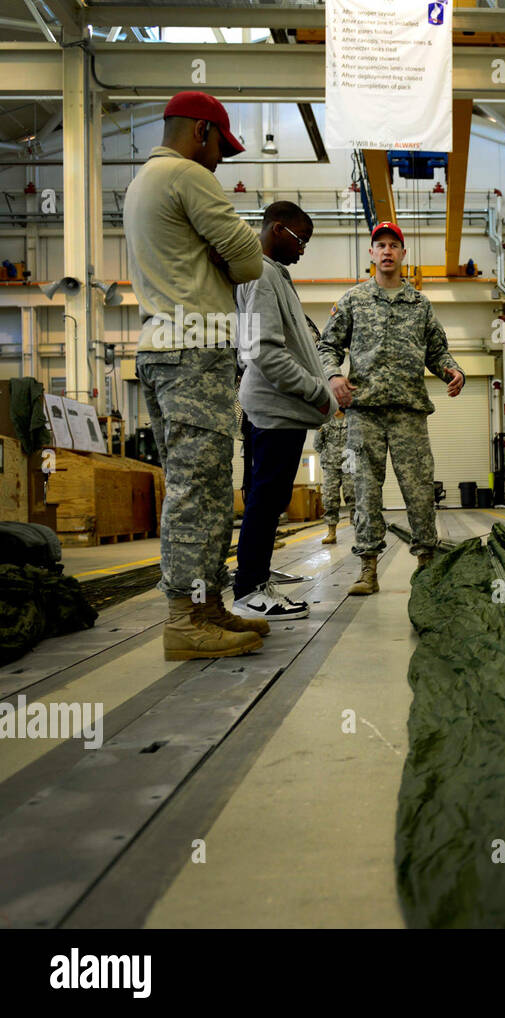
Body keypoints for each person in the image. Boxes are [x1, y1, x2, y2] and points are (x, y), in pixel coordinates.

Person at [124, 90, 266, 660]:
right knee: (198, 492)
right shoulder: (186, 175)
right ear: (200, 133)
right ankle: (185, 619)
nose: (218, 163)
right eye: (218, 149)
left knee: (199, 486)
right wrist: (222, 257)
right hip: (192, 351)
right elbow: (250, 259)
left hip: (163, 349)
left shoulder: (141, 184)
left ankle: (205, 605)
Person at [318, 221, 465, 596]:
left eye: (392, 246)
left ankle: (427, 565)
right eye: (379, 245)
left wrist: (453, 369)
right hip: (363, 412)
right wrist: (334, 377)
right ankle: (367, 569)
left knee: (418, 490)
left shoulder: (420, 305)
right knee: (365, 490)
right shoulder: (352, 301)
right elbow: (327, 347)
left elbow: (437, 351)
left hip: (408, 412)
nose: (386, 251)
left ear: (402, 255)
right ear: (371, 254)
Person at [231, 201, 337, 621]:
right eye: (300, 239)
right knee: (266, 500)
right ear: (278, 229)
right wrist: (318, 392)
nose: (303, 249)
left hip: (280, 411)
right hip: (276, 410)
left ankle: (254, 579)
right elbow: (264, 354)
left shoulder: (270, 274)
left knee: (268, 499)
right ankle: (249, 591)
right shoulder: (260, 275)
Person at [315, 411, 354, 544]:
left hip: (349, 465)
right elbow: (317, 445)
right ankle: (331, 533)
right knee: (330, 499)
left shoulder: (352, 420)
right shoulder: (325, 422)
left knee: (353, 496)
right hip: (330, 466)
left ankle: (359, 531)